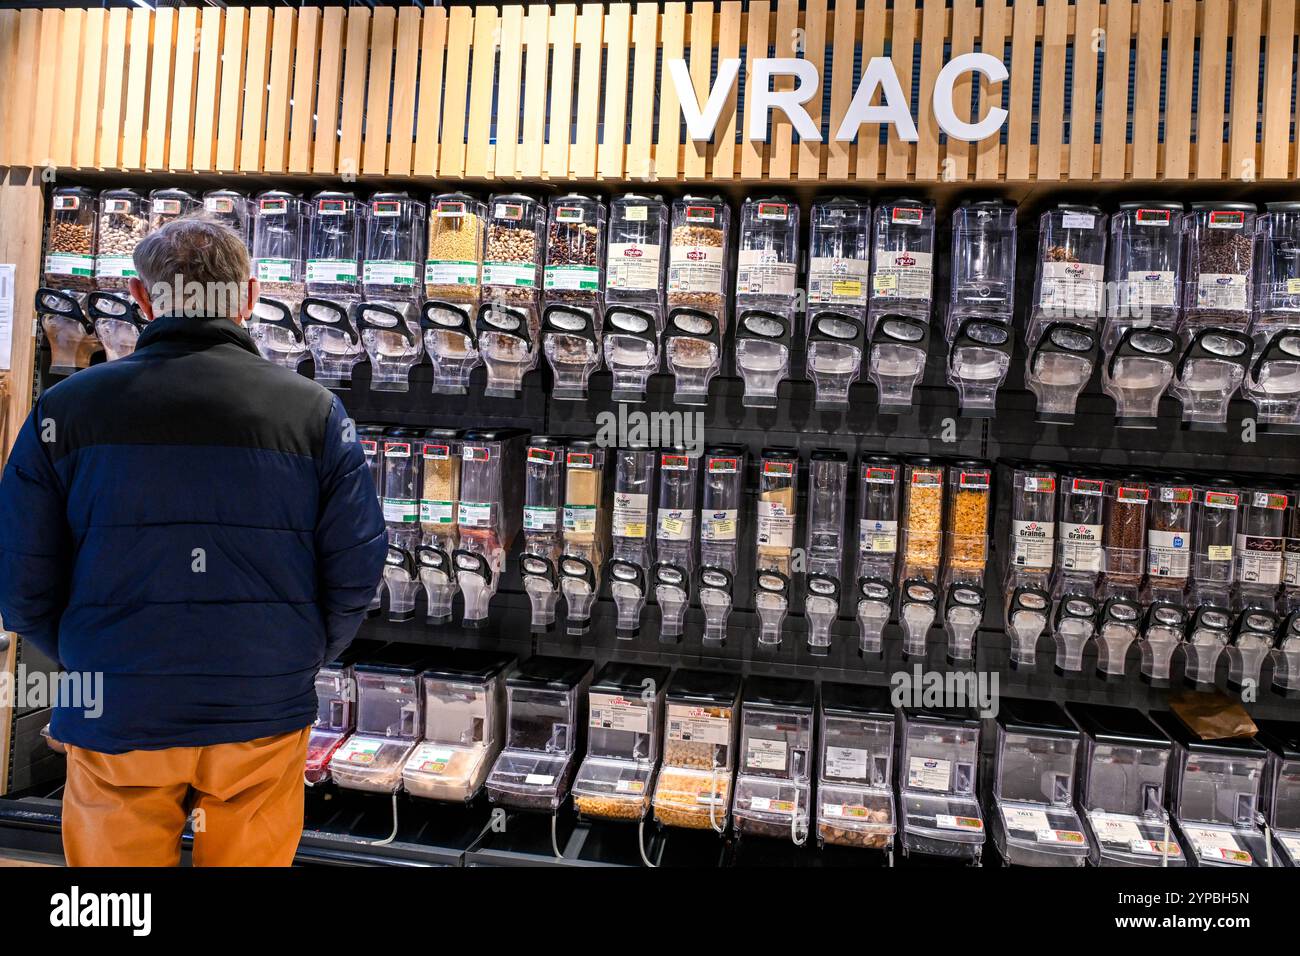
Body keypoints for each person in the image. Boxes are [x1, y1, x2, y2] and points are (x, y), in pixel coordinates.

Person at [0, 217, 386, 866]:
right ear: (250, 295)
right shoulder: (314, 412)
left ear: (142, 297)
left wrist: (81, 654)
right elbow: (357, 568)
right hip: (260, 705)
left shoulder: (65, 410)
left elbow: (19, 577)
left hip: (114, 703)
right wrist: (297, 651)